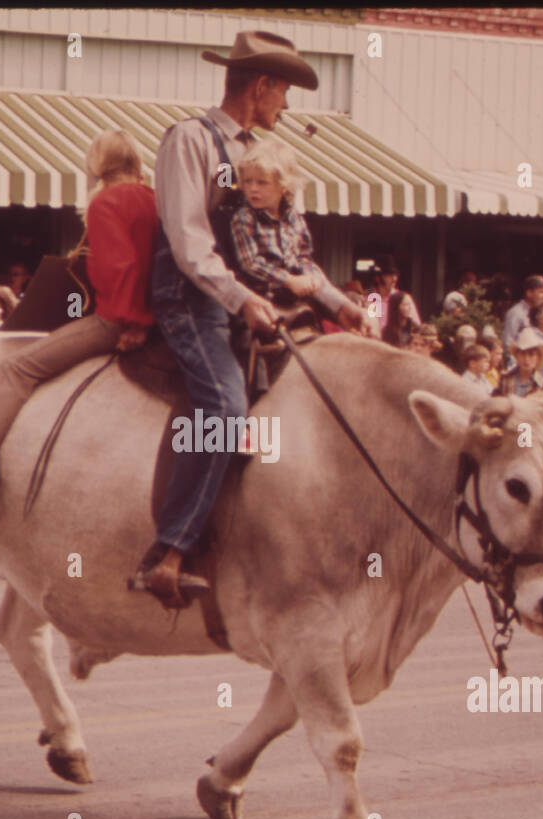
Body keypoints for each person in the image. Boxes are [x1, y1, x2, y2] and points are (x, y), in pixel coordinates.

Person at [128, 30, 337, 604]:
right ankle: (167, 550)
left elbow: (289, 253)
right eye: (284, 92)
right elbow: (191, 246)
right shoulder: (188, 140)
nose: (287, 106)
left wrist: (339, 306)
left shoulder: (260, 158)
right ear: (262, 85)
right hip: (193, 300)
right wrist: (240, 298)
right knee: (225, 406)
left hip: (249, 302)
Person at [0, 126, 166, 513]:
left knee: (17, 368)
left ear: (98, 163)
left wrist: (134, 323)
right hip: (150, 314)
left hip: (116, 318)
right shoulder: (152, 198)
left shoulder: (106, 203)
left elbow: (123, 266)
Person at [227, 137, 363, 335]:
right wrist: (289, 280)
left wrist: (310, 276)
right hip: (261, 296)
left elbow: (303, 255)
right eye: (248, 181)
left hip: (295, 295)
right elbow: (250, 262)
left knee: (331, 319)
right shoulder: (244, 218)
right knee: (254, 342)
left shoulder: (294, 218)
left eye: (262, 182)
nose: (253, 188)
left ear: (284, 186)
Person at [372, 256, 422, 347]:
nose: (394, 279)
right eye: (389, 276)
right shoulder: (371, 299)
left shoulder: (403, 299)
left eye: (395, 275)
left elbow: (416, 327)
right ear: (378, 278)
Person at [496, 327, 543, 398]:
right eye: (523, 354)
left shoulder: (541, 385)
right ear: (517, 356)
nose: (526, 359)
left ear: (538, 358)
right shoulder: (505, 379)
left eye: (531, 354)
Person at [502, 274, 543, 346]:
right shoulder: (516, 313)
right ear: (529, 293)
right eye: (541, 292)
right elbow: (508, 342)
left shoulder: (541, 313)